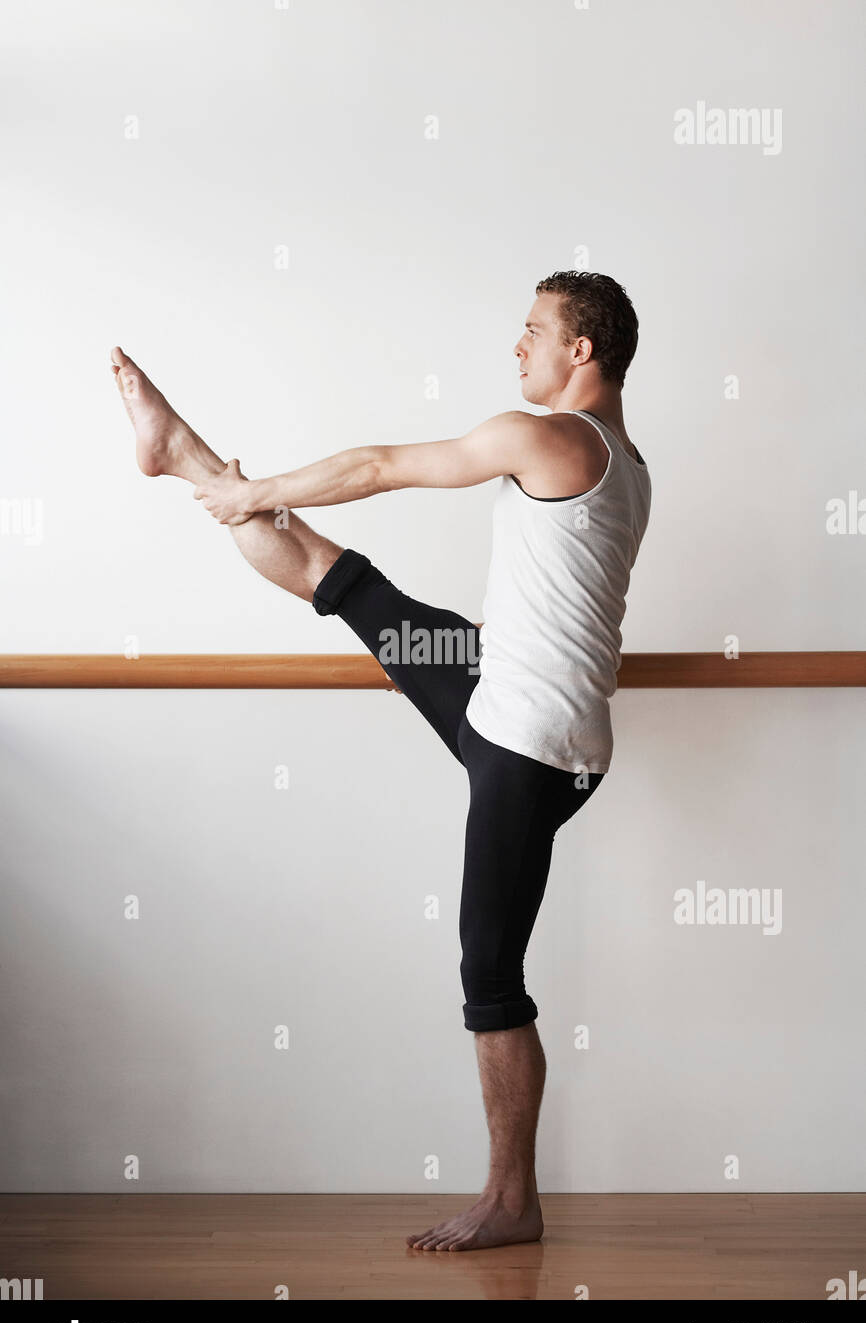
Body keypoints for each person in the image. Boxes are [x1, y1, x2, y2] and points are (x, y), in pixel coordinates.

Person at [110, 269, 651, 1253]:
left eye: (532, 329)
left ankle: (510, 1200)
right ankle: (180, 454)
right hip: (500, 687)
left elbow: (378, 465)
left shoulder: (553, 435)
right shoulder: (623, 456)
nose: (517, 345)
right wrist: (241, 493)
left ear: (581, 350)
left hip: (527, 740)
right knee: (340, 582)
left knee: (489, 972)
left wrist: (259, 488)